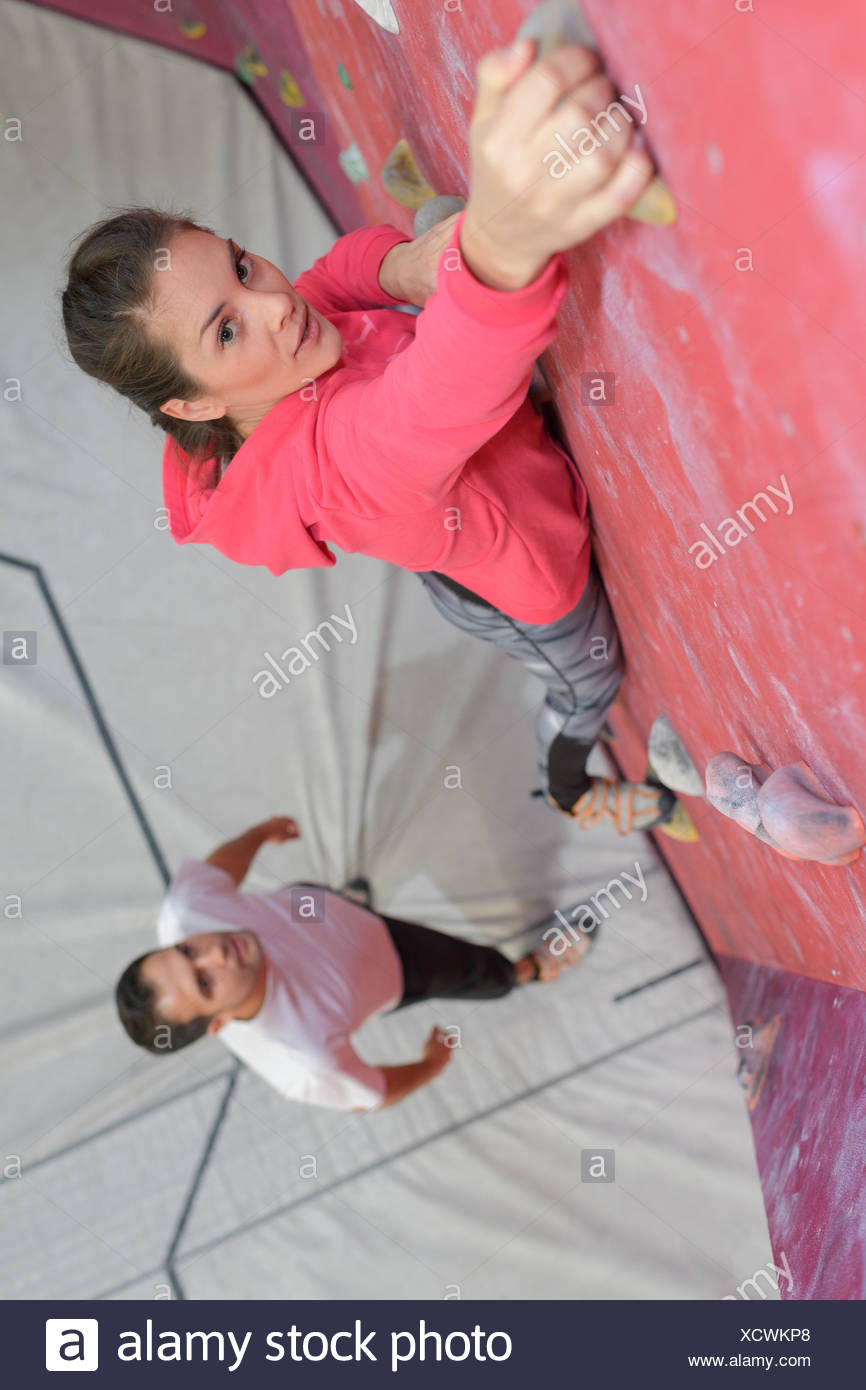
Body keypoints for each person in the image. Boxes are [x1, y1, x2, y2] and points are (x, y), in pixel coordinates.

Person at [61, 37, 682, 836]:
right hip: (529, 582)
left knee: (423, 284)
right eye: (224, 332)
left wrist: (406, 269)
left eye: (241, 267)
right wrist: (498, 244)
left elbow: (334, 275)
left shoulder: (285, 340)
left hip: (473, 494)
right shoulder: (332, 471)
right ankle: (568, 787)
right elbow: (439, 394)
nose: (274, 304)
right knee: (591, 684)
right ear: (191, 406)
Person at [115, 816, 598, 1112]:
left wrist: (259, 834)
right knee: (478, 971)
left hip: (316, 908)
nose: (215, 952)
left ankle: (352, 903)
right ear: (219, 1022)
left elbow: (217, 872)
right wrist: (429, 1066)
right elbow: (373, 1095)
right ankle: (533, 969)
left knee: (324, 901)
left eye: (186, 950)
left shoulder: (184, 914)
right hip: (400, 963)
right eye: (205, 982)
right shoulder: (303, 1062)